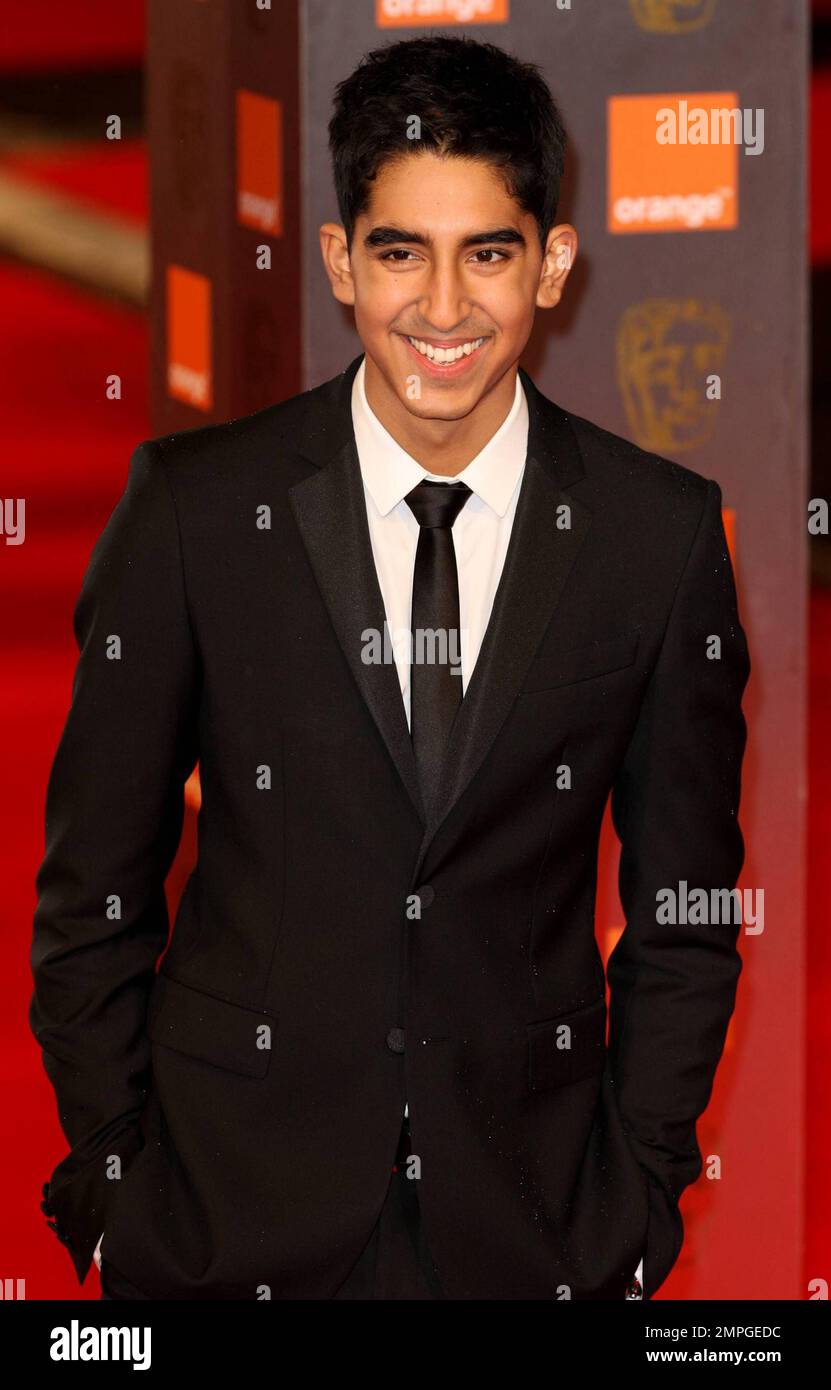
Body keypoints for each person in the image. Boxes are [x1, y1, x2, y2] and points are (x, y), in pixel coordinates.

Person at [31, 34, 750, 1301]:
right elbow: (93, 889)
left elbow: (686, 918)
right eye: (400, 251)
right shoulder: (199, 512)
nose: (442, 309)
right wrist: (111, 1192)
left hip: (529, 1230)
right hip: (226, 1220)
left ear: (554, 264)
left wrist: (637, 1204)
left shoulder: (658, 535)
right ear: (338, 261)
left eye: (489, 252)